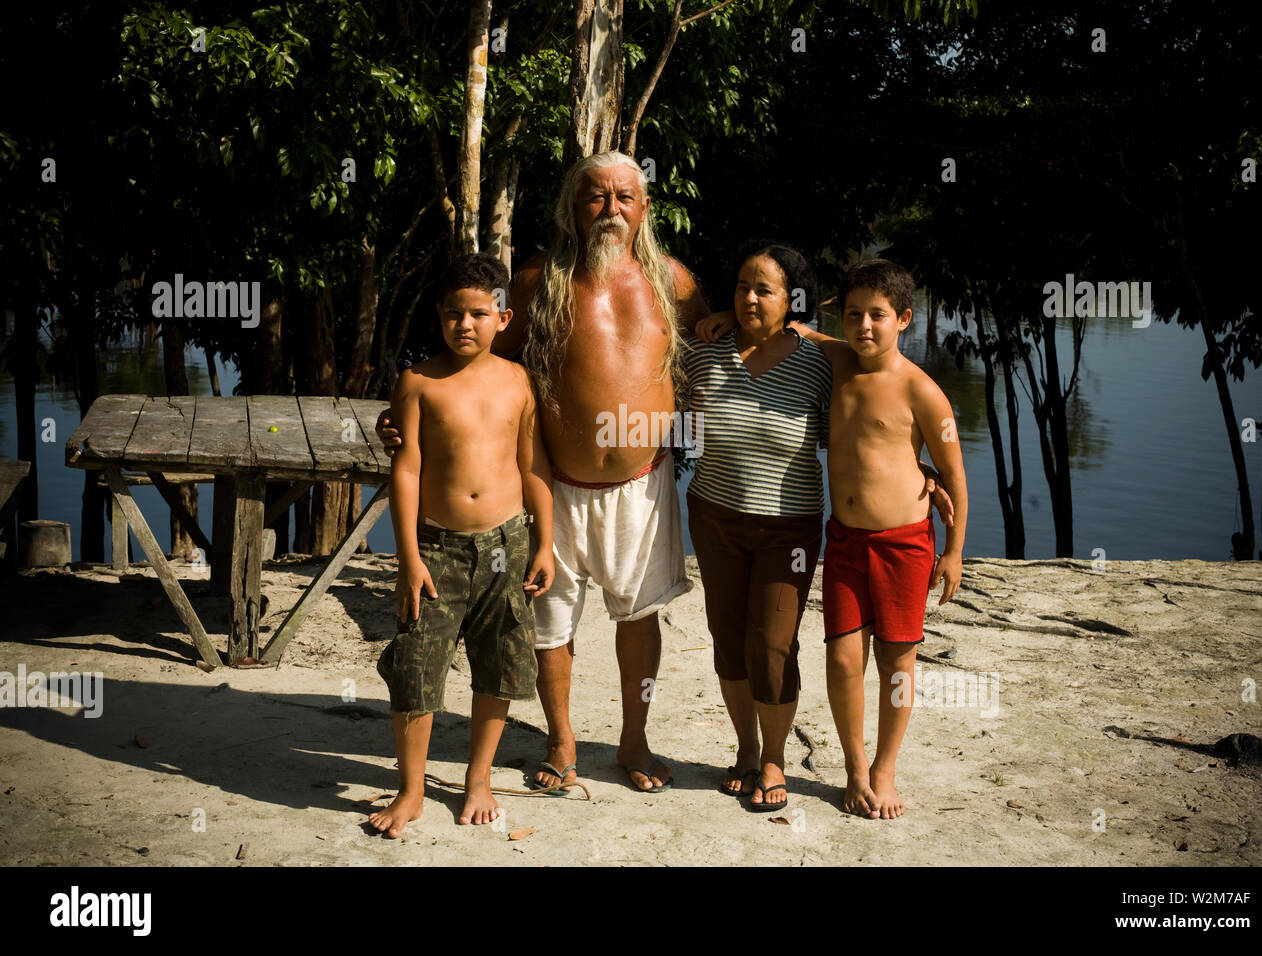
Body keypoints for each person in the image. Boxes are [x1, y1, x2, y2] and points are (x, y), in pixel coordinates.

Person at [377, 151, 712, 794]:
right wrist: (403, 421)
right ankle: (561, 742)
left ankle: (634, 741)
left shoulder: (677, 282)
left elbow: (737, 345)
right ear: (571, 207)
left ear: (643, 209)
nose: (610, 209)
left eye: (623, 197)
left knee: (638, 615)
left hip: (644, 484)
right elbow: (473, 362)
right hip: (553, 484)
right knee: (549, 621)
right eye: (595, 197)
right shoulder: (535, 282)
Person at [369, 253, 554, 838]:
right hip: (437, 548)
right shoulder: (418, 381)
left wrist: (546, 543)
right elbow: (406, 470)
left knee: (500, 664)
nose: (465, 325)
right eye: (453, 314)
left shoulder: (519, 380)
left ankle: (479, 777)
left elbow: (533, 465)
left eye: (479, 313)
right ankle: (412, 788)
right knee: (416, 665)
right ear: (439, 316)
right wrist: (407, 558)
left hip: (508, 543)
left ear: (504, 317)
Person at [795, 258, 969, 819]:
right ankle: (853, 767)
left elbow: (956, 475)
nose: (864, 326)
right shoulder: (838, 359)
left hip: (904, 545)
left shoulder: (923, 391)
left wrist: (954, 550)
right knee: (845, 660)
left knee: (897, 661)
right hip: (844, 542)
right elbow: (790, 327)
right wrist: (726, 313)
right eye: (853, 315)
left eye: (877, 315)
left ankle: (885, 769)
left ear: (904, 319)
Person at [683, 241, 830, 811]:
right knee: (727, 637)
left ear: (791, 298)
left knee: (772, 644)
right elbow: (647, 390)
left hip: (788, 527)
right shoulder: (702, 351)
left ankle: (775, 757)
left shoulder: (819, 362)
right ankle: (746, 750)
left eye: (764, 289)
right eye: (742, 286)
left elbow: (872, 413)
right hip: (713, 516)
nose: (749, 297)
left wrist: (919, 465)